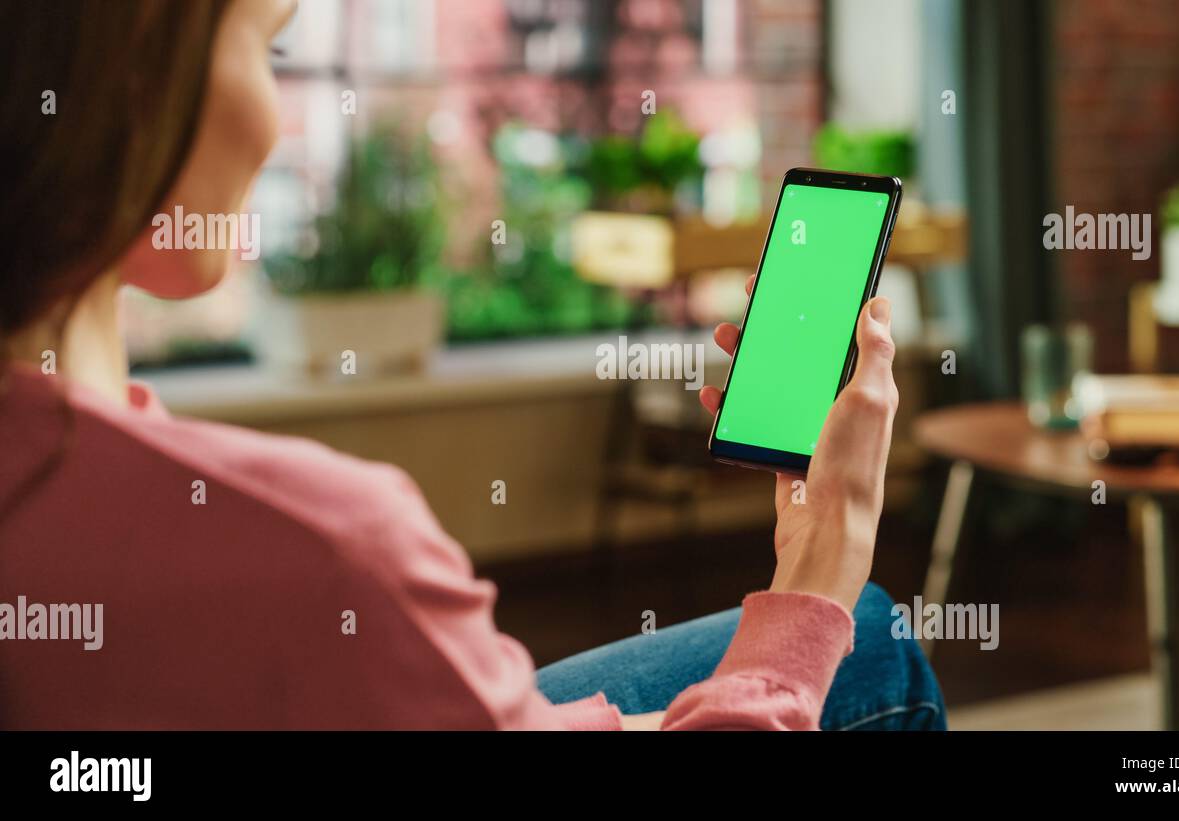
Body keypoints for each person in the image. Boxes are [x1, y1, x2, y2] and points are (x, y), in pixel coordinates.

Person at [0, 0, 944, 730]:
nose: (275, 109)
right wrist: (817, 569)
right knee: (870, 640)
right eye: (270, 45)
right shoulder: (331, 547)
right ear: (132, 88)